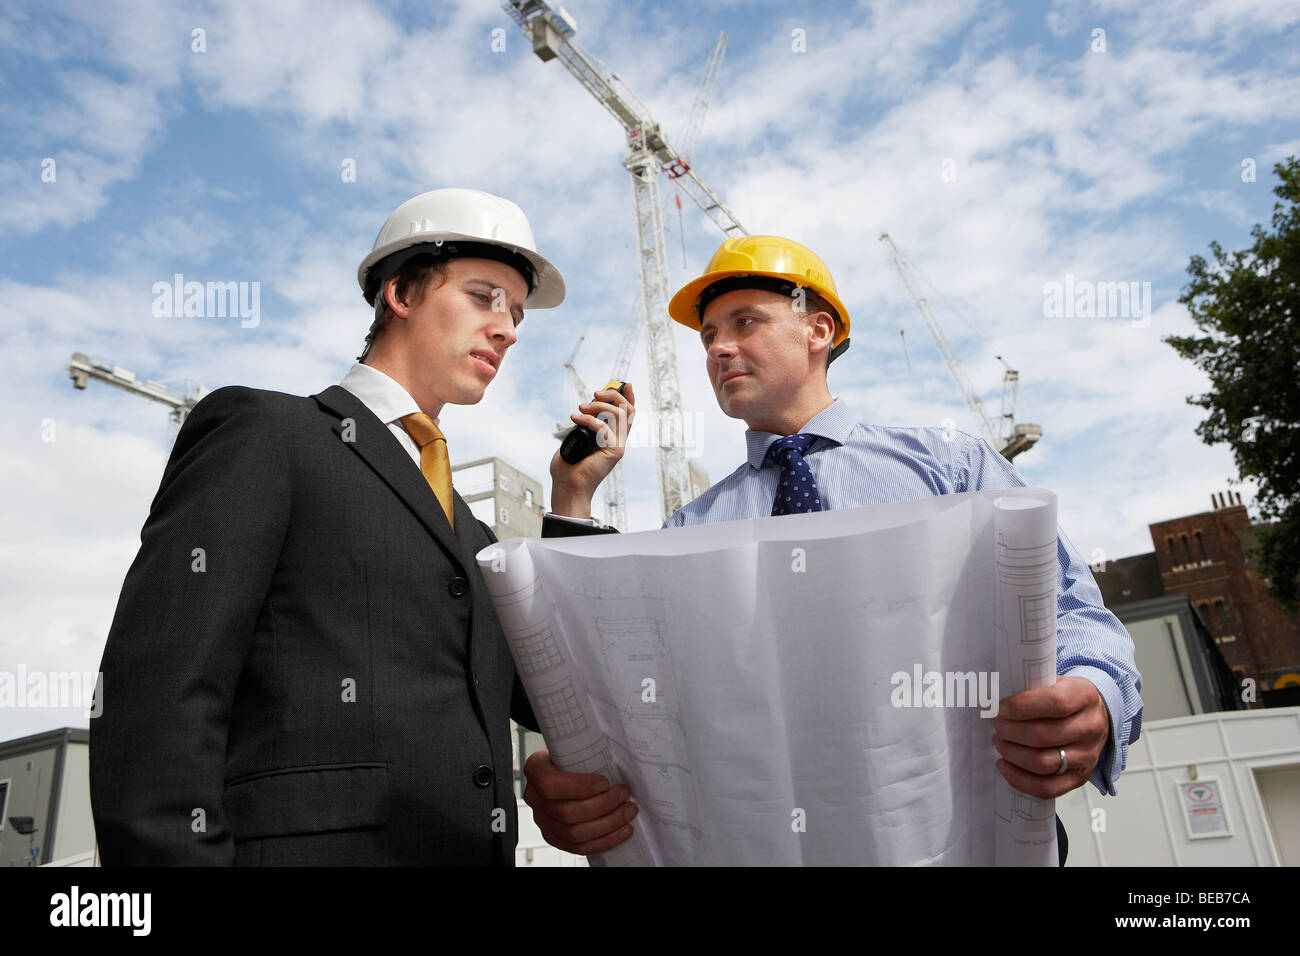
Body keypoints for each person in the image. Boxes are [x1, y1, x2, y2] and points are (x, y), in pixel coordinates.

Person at [527, 235, 1143, 864]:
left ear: (818, 330)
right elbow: (634, 693)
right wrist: (579, 765)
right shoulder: (689, 528)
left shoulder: (950, 467)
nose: (718, 348)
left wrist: (1094, 693)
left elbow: (1070, 611)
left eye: (745, 322)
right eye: (708, 334)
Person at [90, 187, 565, 865]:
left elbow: (552, 697)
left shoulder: (473, 534)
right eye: (485, 296)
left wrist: (572, 505)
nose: (509, 328)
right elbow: (160, 695)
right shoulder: (266, 435)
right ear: (400, 291)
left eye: (517, 313)